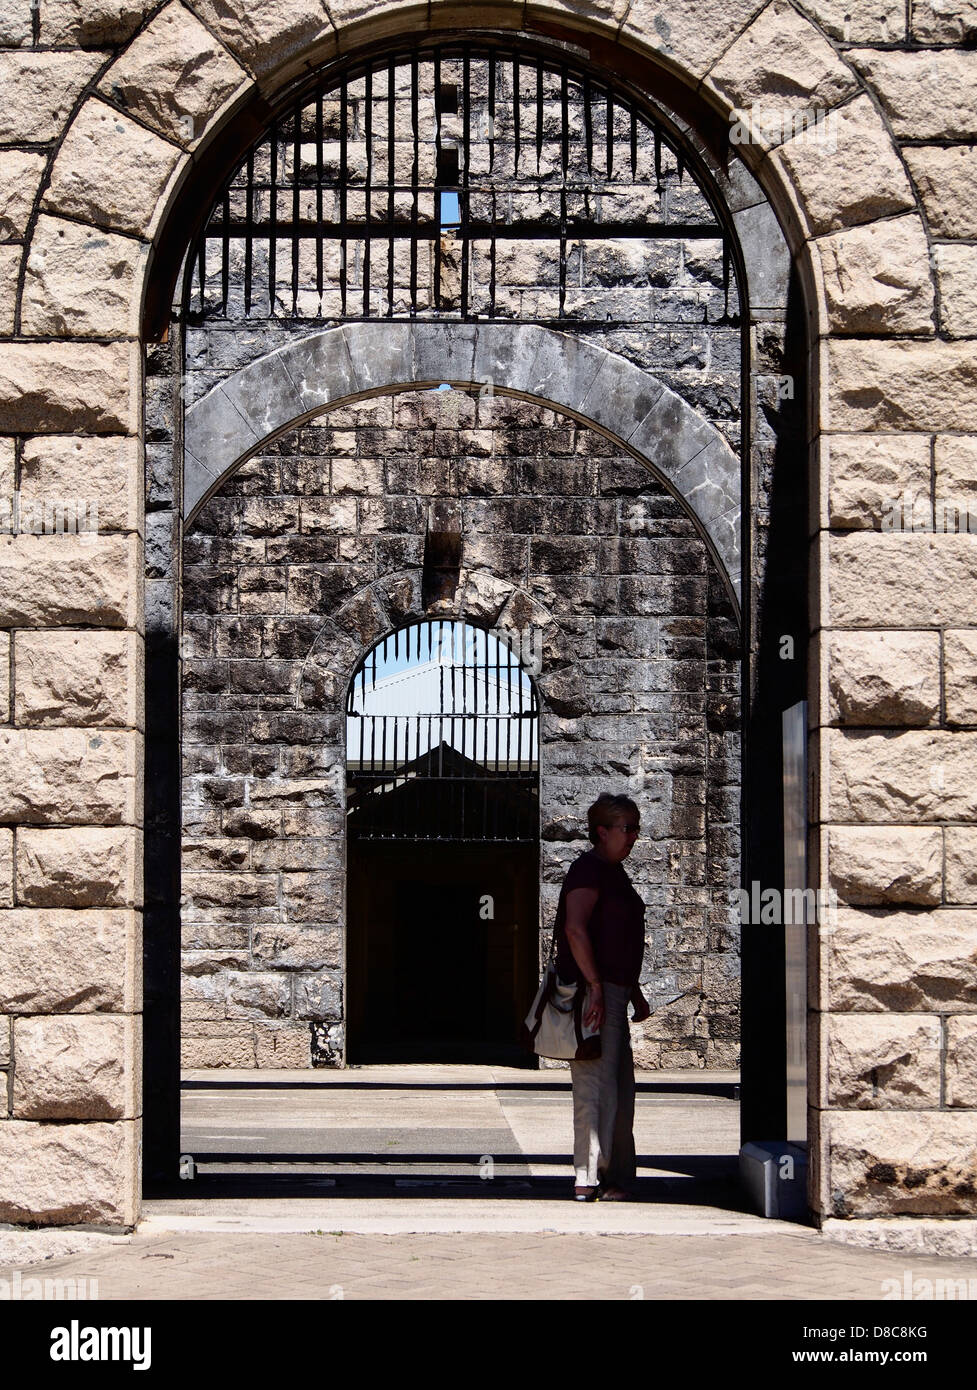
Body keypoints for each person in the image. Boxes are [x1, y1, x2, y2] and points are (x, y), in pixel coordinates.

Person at [553, 792, 649, 1201]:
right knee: (597, 1086)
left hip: (614, 991)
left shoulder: (613, 873)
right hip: (597, 994)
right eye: (626, 828)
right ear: (602, 831)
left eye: (636, 828)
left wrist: (635, 992)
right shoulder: (588, 870)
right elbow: (575, 930)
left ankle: (610, 1176)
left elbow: (618, 940)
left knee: (618, 1088)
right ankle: (590, 1177)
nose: (633, 837)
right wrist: (595, 988)